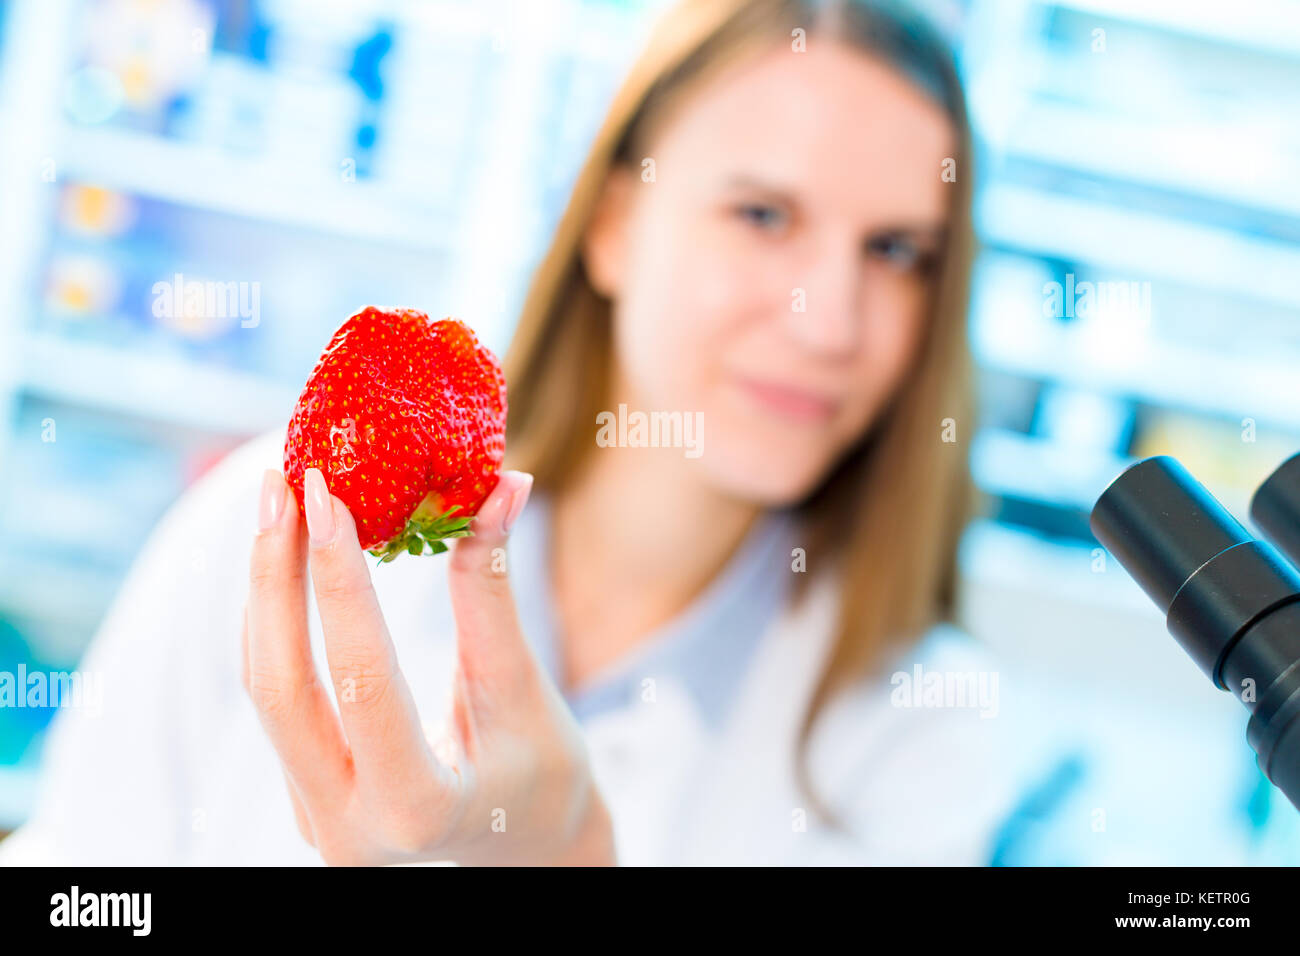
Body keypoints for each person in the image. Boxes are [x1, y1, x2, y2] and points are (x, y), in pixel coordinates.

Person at [0, 0, 1038, 865]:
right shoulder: (278, 524)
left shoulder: (920, 732)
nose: (831, 320)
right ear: (614, 224)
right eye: (762, 216)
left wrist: (575, 849)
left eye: (897, 250)